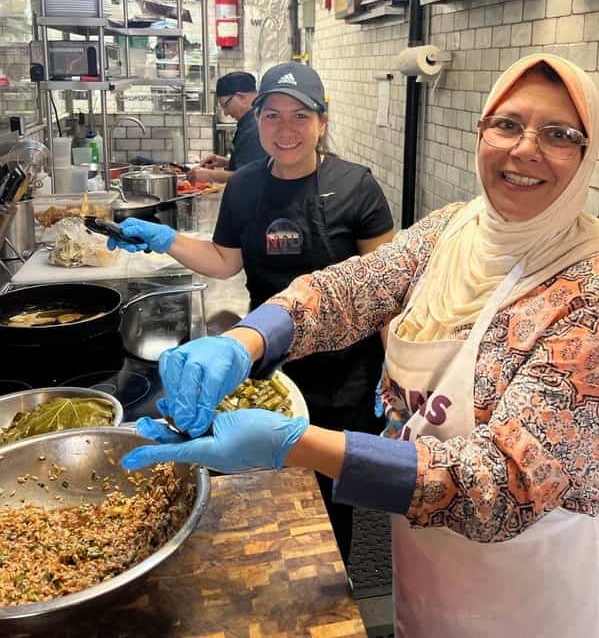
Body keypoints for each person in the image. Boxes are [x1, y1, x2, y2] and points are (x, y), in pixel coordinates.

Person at [122, 53, 599, 638]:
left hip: (536, 582)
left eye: (558, 134)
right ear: (482, 132)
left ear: (586, 154)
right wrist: (246, 341)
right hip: (432, 554)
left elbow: (501, 483)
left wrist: (297, 444)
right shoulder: (454, 229)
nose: (524, 150)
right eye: (507, 124)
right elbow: (353, 287)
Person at [111, 61, 395, 563]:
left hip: (346, 371)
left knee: (333, 487)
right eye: (272, 115)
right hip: (267, 362)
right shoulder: (243, 186)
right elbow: (224, 262)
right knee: (266, 475)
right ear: (256, 120)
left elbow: (387, 291)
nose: (286, 130)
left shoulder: (357, 186)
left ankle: (335, 577)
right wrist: (168, 240)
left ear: (322, 122)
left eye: (300, 116)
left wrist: (396, 369)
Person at [186, 71, 266, 185]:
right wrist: (226, 162)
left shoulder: (256, 128)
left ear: (241, 97)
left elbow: (252, 178)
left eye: (226, 105)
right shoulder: (251, 121)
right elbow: (254, 165)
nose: (226, 112)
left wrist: (210, 175)